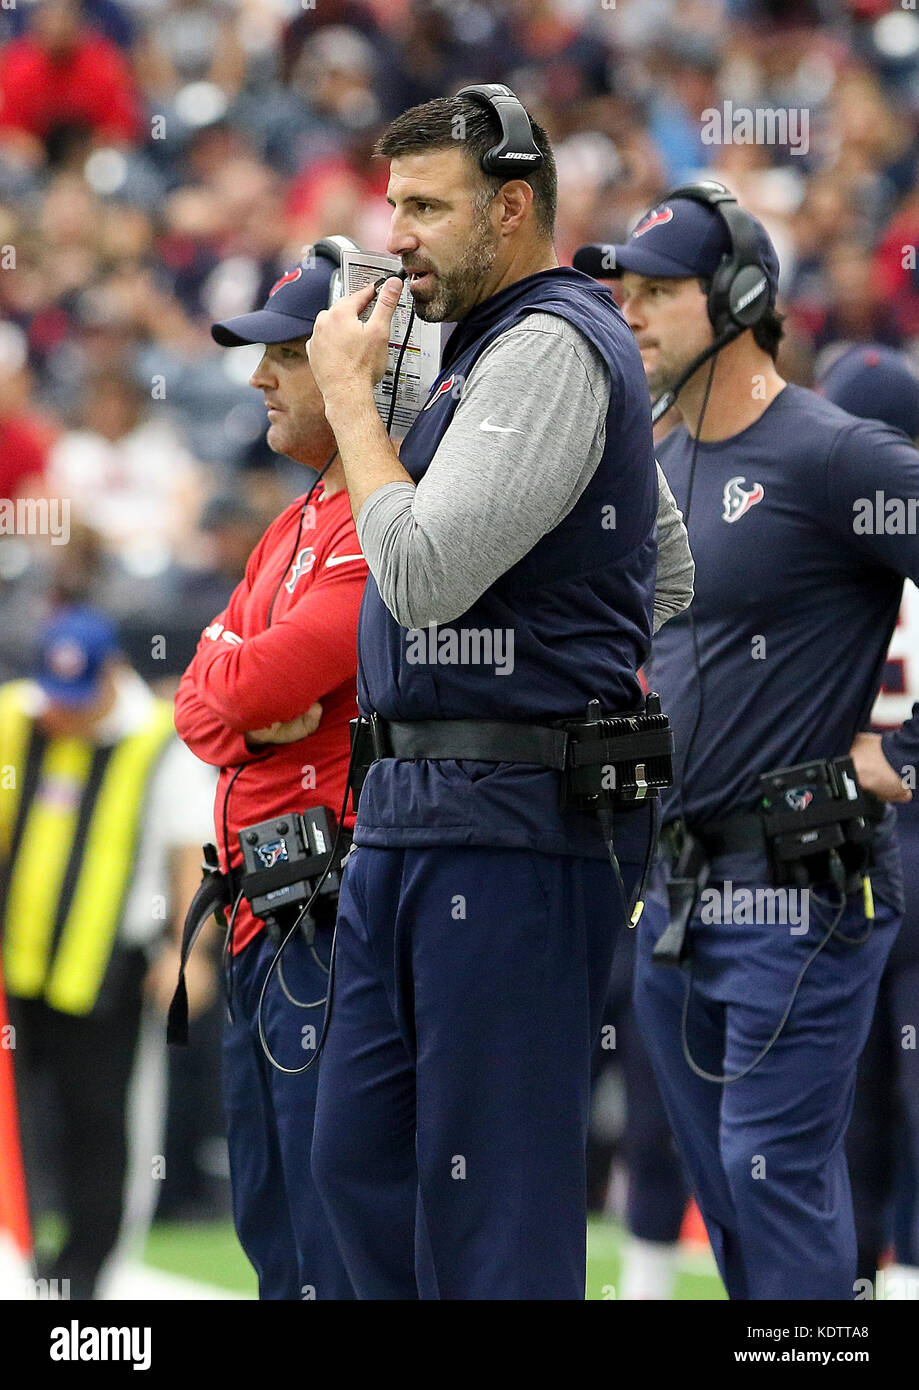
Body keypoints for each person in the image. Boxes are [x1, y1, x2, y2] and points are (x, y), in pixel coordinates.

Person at [304, 86, 693, 1300]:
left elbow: (417, 574)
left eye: (427, 205)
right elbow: (664, 566)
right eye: (393, 204)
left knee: (492, 1212)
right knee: (360, 1166)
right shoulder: (496, 352)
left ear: (512, 207)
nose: (399, 234)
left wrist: (352, 404)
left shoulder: (547, 343)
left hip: (511, 820)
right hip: (424, 806)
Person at [575, 183, 919, 1300]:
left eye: (658, 290)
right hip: (676, 892)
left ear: (741, 299)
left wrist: (908, 755)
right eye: (620, 289)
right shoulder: (658, 456)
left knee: (765, 1173)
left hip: (799, 882)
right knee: (724, 1198)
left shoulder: (833, 455)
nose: (628, 310)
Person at [173, 243, 372, 1300]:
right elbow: (203, 700)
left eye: (289, 355)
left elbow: (251, 680)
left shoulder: (375, 519)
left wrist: (236, 694)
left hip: (324, 918)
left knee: (323, 1229)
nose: (260, 378)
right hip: (258, 912)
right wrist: (244, 717)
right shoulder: (287, 526)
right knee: (268, 1222)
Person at [0, 604, 213, 1299]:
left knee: (100, 1122)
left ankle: (84, 1276)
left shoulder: (159, 740)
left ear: (112, 677)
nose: (61, 714)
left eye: (78, 699)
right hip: (16, 965)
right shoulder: (16, 718)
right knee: (17, 1120)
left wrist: (188, 956)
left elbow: (192, 856)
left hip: (107, 971)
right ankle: (20, 1258)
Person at [818, 344, 919, 1294]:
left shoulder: (820, 531)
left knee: (845, 1090)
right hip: (863, 830)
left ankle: (845, 1287)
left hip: (841, 835)